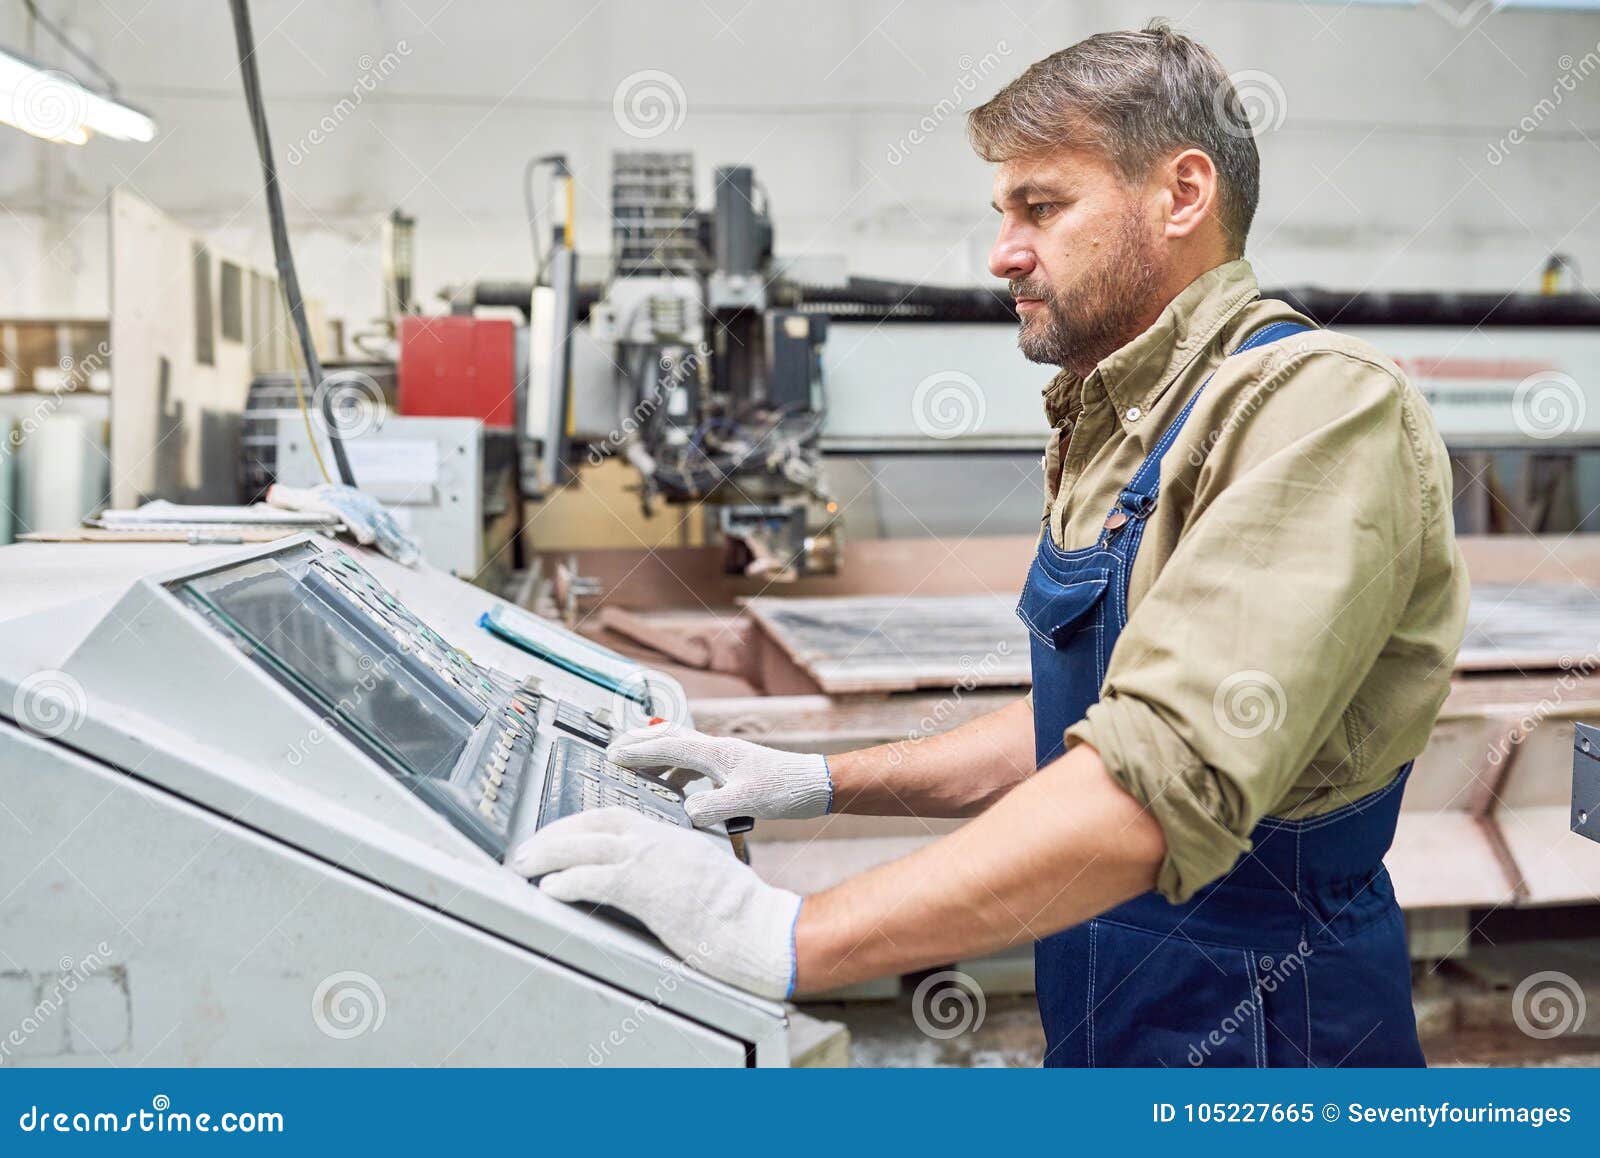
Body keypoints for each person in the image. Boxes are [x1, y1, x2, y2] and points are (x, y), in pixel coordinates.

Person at [512, 22, 1470, 1068]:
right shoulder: (1116, 416)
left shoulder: (1317, 412)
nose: (1001, 252)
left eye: (1042, 207)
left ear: (1182, 194)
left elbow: (1153, 783)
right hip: (1108, 1005)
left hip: (1268, 1034)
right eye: (1003, 212)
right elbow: (1089, 722)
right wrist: (813, 780)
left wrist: (788, 936)